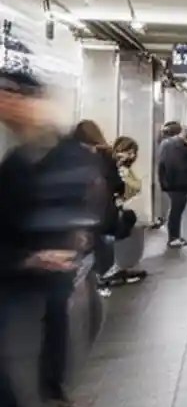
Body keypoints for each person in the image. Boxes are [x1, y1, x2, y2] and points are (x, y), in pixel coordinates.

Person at [0, 68, 97, 407]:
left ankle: (53, 393)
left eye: (13, 95)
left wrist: (77, 231)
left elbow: (80, 193)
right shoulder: (16, 159)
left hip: (49, 257)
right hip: (17, 258)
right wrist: (26, 257)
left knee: (57, 323)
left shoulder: (57, 150)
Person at [69, 121, 125, 298]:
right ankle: (102, 278)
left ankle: (87, 283)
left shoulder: (69, 156)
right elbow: (117, 184)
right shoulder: (106, 155)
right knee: (103, 243)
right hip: (102, 208)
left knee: (85, 249)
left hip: (80, 210)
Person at [102, 137, 145, 288]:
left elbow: (135, 186)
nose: (132, 156)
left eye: (133, 153)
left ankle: (120, 267)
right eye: (129, 152)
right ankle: (116, 269)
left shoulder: (121, 168)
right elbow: (132, 186)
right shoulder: (115, 168)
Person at [157, 123, 187, 249]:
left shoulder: (168, 144)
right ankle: (173, 238)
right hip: (178, 184)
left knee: (176, 210)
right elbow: (178, 166)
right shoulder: (174, 146)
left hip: (174, 183)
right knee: (176, 211)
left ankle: (175, 236)